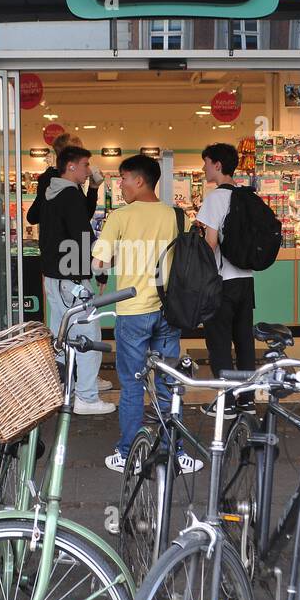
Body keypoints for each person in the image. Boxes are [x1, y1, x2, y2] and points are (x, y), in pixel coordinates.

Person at [92, 154, 203, 474]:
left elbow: (98, 264)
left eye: (123, 178)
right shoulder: (174, 215)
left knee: (131, 385)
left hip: (133, 311)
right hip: (168, 310)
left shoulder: (119, 217)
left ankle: (128, 452)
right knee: (168, 383)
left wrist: (117, 258)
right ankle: (175, 451)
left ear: (139, 180)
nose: (120, 185)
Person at [39, 142, 115, 415]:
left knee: (61, 337)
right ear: (71, 165)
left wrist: (92, 189)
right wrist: (100, 269)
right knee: (88, 337)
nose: (88, 170)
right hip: (70, 279)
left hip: (56, 277)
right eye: (85, 165)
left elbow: (42, 219)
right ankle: (85, 396)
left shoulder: (51, 191)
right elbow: (83, 234)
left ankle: (62, 389)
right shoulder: (69, 195)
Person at [195, 143, 255, 406]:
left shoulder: (215, 198)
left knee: (219, 343)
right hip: (246, 279)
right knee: (244, 342)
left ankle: (226, 402)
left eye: (206, 162)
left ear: (217, 165)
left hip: (222, 282)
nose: (203, 167)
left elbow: (210, 244)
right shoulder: (246, 195)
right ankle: (248, 399)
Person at [28, 134, 101, 226]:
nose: (88, 170)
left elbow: (32, 216)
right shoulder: (66, 186)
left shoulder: (56, 180)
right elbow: (83, 224)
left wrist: (93, 188)